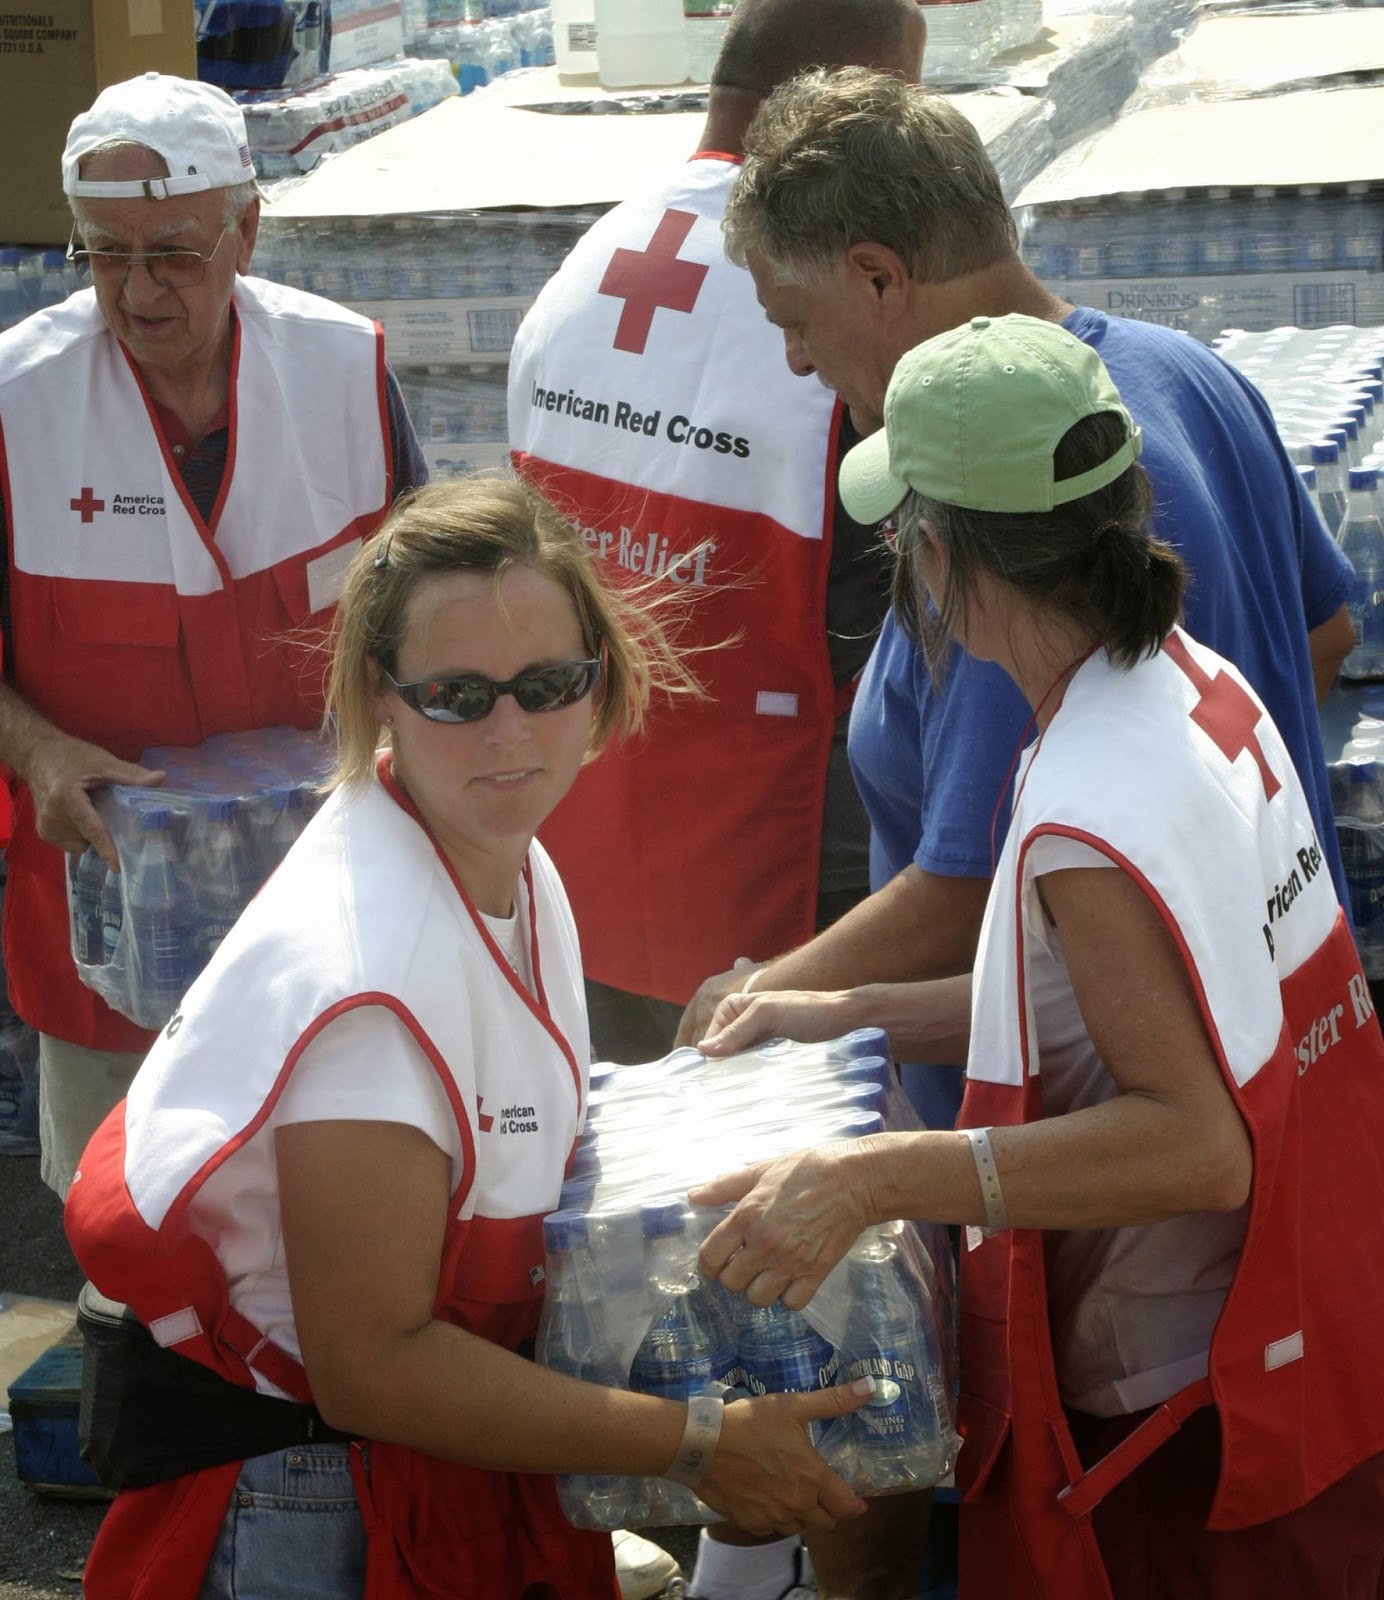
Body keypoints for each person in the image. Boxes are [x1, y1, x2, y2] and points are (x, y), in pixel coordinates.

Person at [63, 477, 878, 1600]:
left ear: (598, 681)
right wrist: (694, 1441)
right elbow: (372, 1368)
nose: (510, 733)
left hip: (404, 1468)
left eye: (548, 685)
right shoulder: (370, 989)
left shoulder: (499, 853)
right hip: (319, 1509)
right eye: (457, 694)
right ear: (379, 697)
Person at [689, 314, 1384, 1599]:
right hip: (1305, 1346)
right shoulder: (1181, 683)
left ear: (939, 553)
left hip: (1181, 1429)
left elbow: (1192, 1141)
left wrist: (869, 1176)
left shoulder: (1088, 813)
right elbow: (1079, 1001)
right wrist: (835, 1014)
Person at [676, 71, 1357, 1120]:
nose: (797, 358)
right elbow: (1324, 628)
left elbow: (967, 893)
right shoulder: (1185, 372)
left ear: (875, 276)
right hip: (1277, 1053)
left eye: (794, 317)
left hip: (1080, 1131)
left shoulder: (997, 517)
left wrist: (763, 995)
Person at [0, 72, 425, 1198]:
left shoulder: (343, 368)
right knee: (123, 1219)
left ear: (246, 229)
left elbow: (426, 603)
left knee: (322, 1223)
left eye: (174, 253)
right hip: (108, 931)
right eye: (105, 254)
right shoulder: (16, 402)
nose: (137, 292)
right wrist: (40, 753)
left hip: (329, 920)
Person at [508, 0, 925, 1071]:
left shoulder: (591, 261)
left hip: (589, 819)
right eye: (901, 104)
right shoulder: (829, 294)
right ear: (836, 103)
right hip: (778, 858)